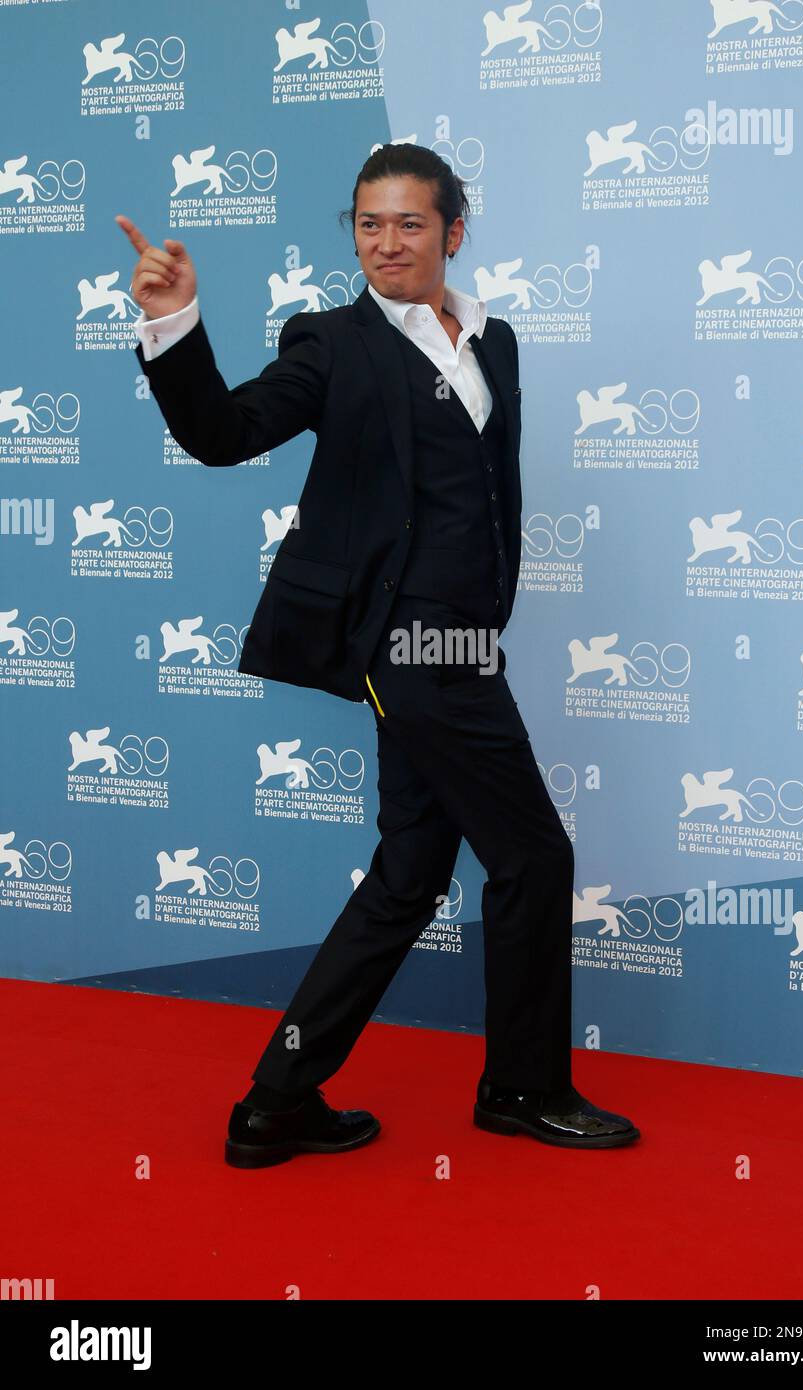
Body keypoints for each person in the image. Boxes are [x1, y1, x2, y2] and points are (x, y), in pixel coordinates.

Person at [117, 143, 640, 1168]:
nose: (385, 243)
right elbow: (225, 432)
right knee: (535, 857)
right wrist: (173, 324)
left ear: (453, 229)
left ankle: (276, 1100)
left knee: (409, 873)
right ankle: (523, 1085)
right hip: (411, 646)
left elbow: (487, 497)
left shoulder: (497, 341)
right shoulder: (335, 345)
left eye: (407, 223)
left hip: (466, 641)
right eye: (367, 223)